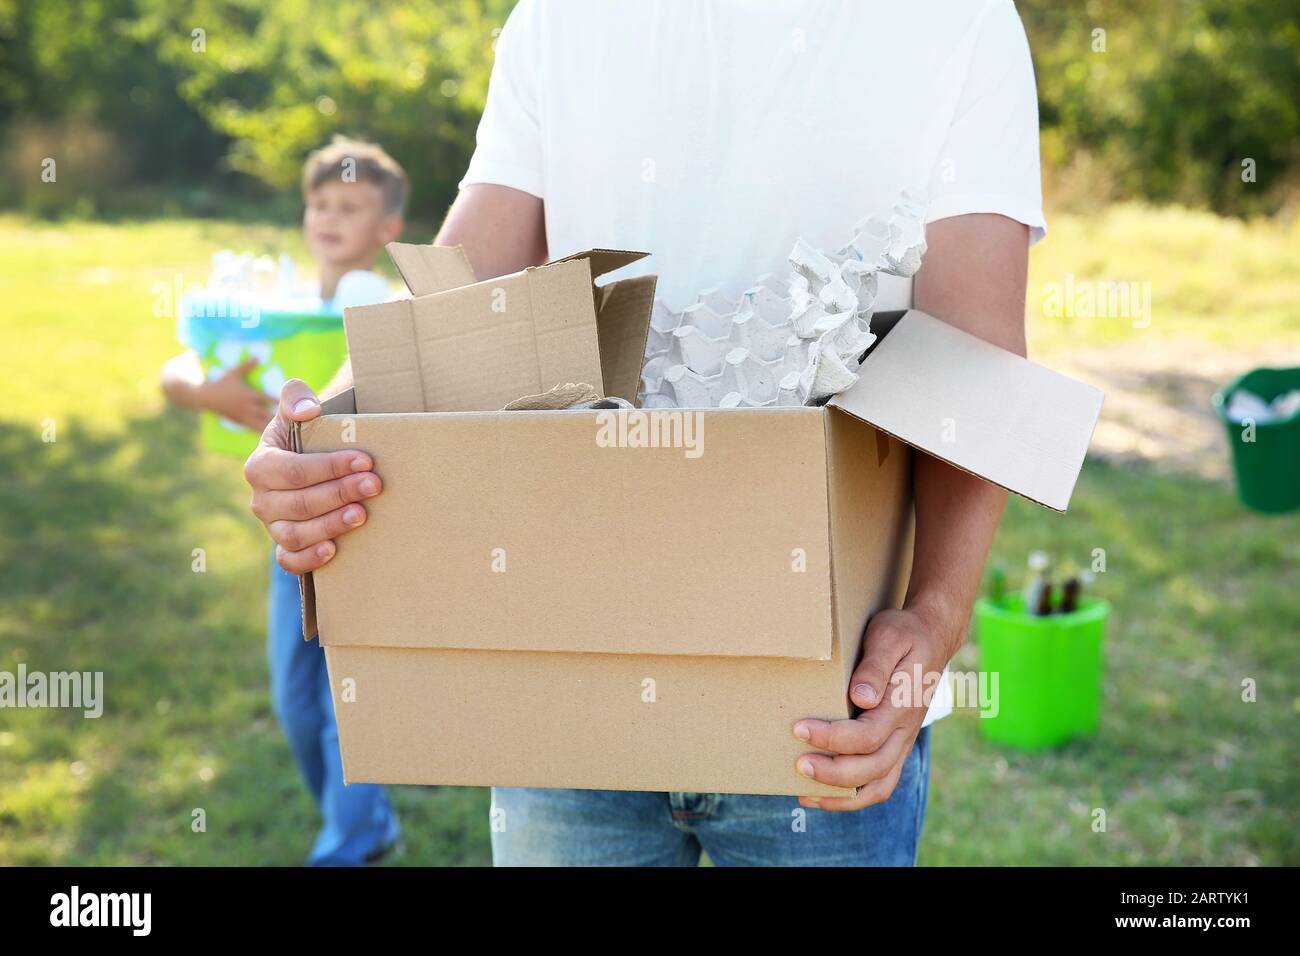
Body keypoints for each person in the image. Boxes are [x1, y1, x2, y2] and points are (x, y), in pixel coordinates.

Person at [244, 0, 1046, 866]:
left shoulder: (957, 22)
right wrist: (316, 425)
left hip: (825, 703)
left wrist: (933, 624)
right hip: (565, 663)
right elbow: (465, 289)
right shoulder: (558, 18)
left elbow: (974, 360)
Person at [169, 136, 407, 865]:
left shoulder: (388, 308)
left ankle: (351, 843)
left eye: (351, 206)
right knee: (296, 707)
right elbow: (180, 362)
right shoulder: (280, 306)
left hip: (366, 521)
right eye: (320, 203)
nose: (330, 217)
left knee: (348, 701)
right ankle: (369, 826)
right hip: (290, 534)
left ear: (388, 227)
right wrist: (202, 390)